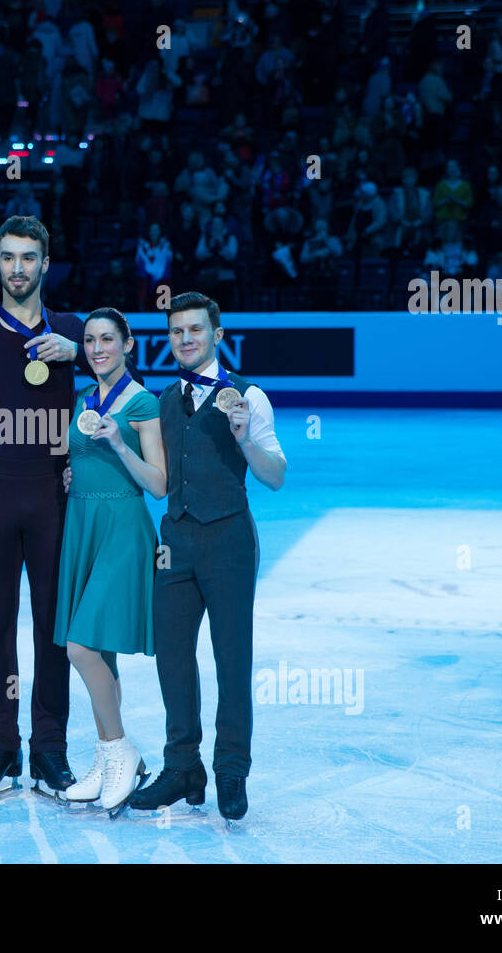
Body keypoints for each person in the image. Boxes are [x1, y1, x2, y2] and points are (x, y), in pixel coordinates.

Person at [129, 292, 286, 825]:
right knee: (171, 657)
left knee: (231, 658)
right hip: (175, 541)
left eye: (196, 330)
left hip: (229, 540)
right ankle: (182, 767)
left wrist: (243, 438)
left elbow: (275, 475)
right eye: (177, 332)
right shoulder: (163, 400)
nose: (186, 339)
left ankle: (231, 769)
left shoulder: (249, 396)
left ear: (218, 335)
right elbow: (158, 478)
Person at [0, 215, 94, 800]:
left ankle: (50, 750)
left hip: (52, 497)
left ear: (45, 265)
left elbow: (126, 380)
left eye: (29, 258)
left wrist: (80, 355)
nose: (18, 268)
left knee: (53, 632)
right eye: (8, 257)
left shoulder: (74, 331)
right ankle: (0, 746)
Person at [55, 308, 167, 815]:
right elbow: (77, 460)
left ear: (127, 345)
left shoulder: (143, 402)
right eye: (90, 340)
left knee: (80, 647)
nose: (98, 348)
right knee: (101, 651)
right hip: (84, 526)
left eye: (107, 339)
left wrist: (120, 443)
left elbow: (160, 484)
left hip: (123, 530)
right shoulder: (83, 399)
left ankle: (121, 750)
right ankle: (107, 758)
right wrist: (70, 476)